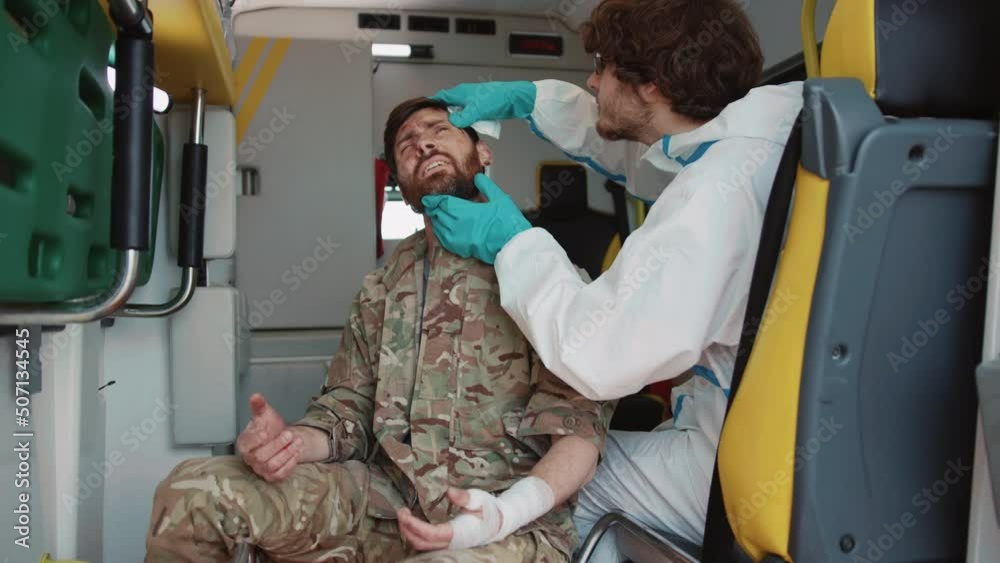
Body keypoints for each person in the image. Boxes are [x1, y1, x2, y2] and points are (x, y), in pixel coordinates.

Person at [144, 98, 615, 563]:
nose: (423, 143)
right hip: (385, 504)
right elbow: (348, 406)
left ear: (483, 152)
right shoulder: (383, 286)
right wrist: (292, 443)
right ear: (399, 181)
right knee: (195, 490)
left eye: (439, 129)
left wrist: (506, 512)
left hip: (503, 522)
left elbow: (578, 431)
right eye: (406, 144)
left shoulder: (545, 272)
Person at [421, 0, 804, 558]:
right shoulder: (762, 136)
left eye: (602, 67)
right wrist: (532, 102)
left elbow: (592, 352)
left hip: (748, 464)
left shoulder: (715, 195)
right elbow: (650, 159)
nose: (593, 81)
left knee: (549, 481)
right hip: (770, 433)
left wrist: (511, 239)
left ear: (650, 84)